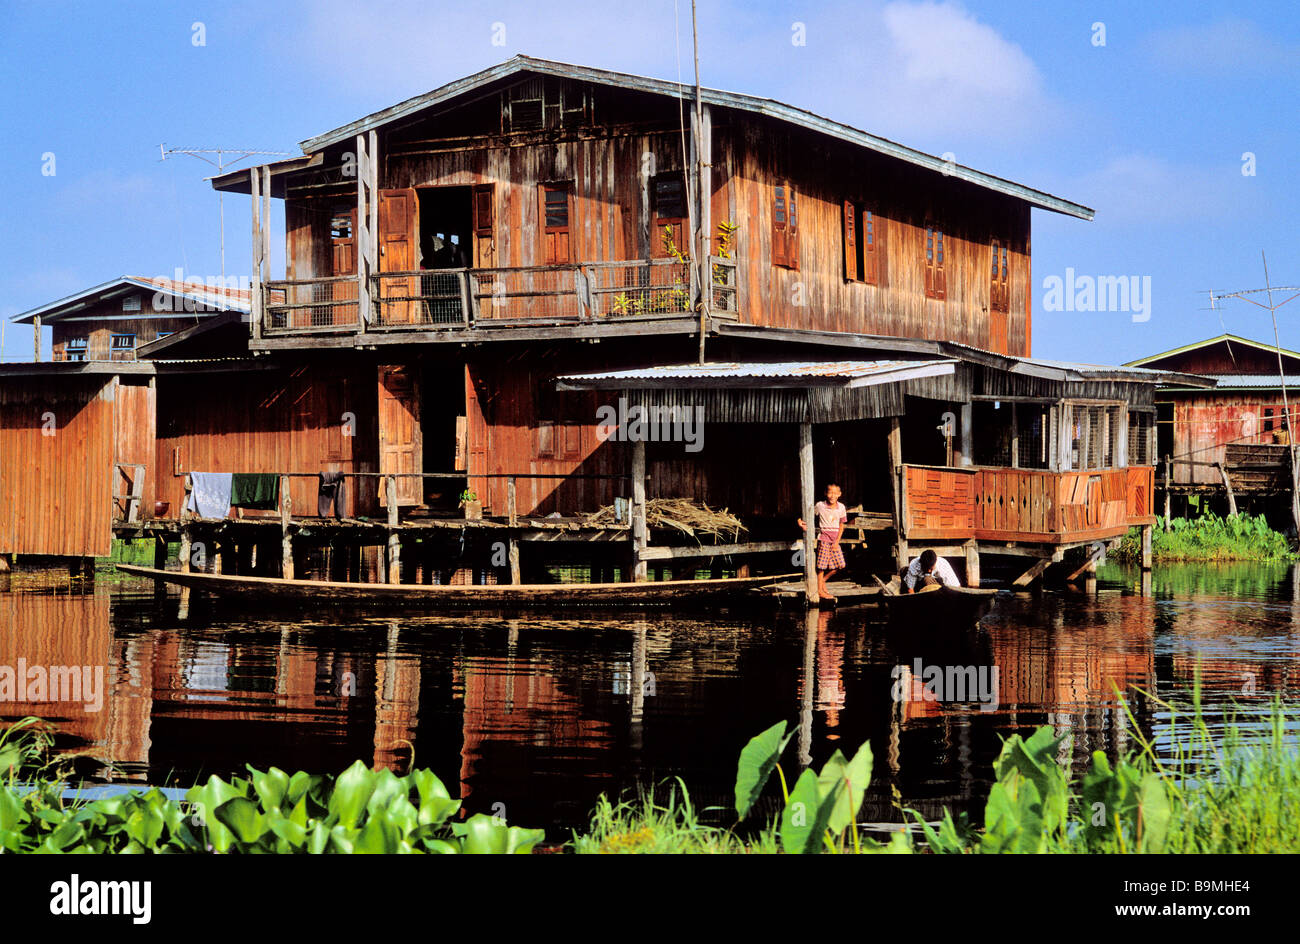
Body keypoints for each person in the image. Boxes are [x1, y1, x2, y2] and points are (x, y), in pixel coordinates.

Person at [798, 483, 848, 602]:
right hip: (824, 539)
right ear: (826, 493)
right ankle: (820, 590)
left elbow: (842, 525)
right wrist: (800, 521)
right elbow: (807, 516)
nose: (832, 495)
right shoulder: (820, 506)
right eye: (830, 492)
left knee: (841, 565)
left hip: (834, 540)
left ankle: (822, 581)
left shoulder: (841, 507)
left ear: (839, 494)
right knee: (821, 566)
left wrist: (837, 541)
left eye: (835, 493)